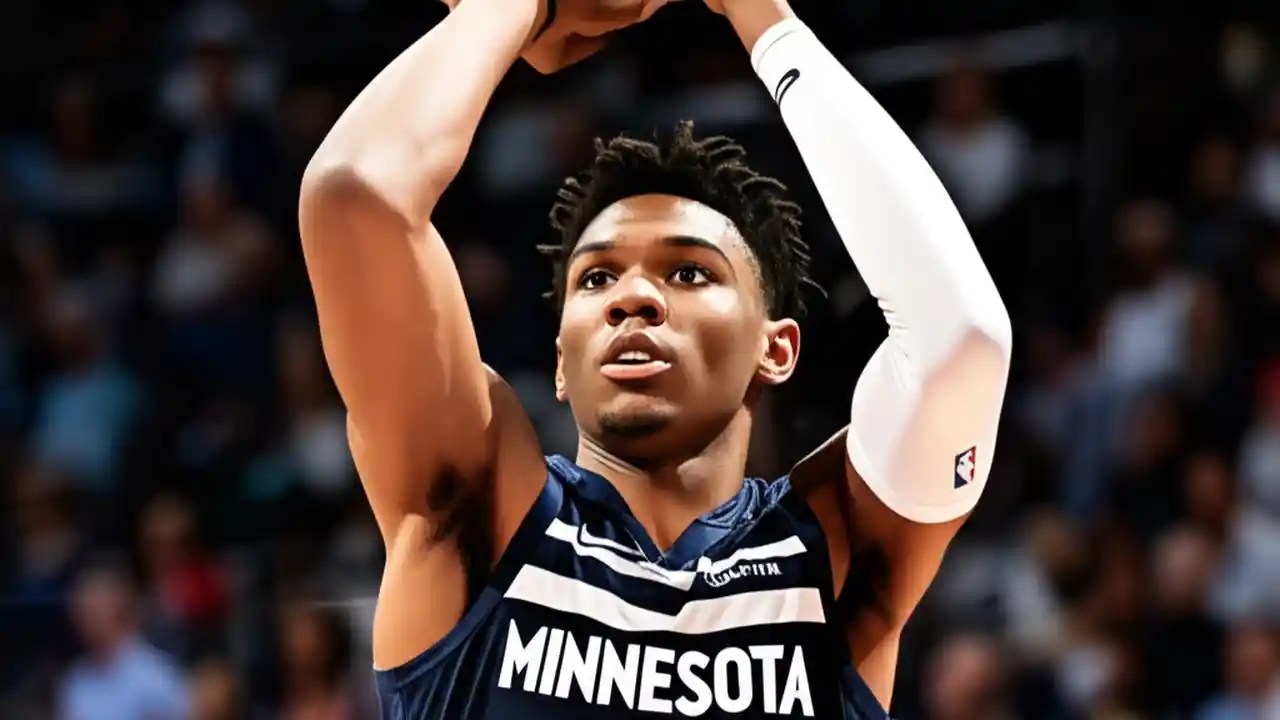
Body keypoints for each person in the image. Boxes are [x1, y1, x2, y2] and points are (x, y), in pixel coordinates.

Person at [298, 0, 1012, 717]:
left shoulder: (824, 559)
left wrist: (764, 18)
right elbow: (357, 197)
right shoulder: (488, 515)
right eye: (596, 278)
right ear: (559, 361)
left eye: (689, 273)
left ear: (776, 347)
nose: (630, 297)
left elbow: (964, 340)